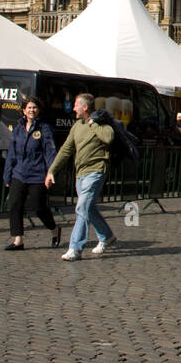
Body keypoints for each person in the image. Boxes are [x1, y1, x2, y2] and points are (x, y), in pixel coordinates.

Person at [45, 93, 117, 261]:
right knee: (89, 208)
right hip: (81, 173)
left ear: (85, 107)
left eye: (76, 104)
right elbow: (66, 150)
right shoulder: (77, 126)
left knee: (81, 208)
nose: (73, 107)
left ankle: (75, 248)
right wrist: (52, 171)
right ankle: (107, 236)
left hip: (96, 171)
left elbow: (109, 137)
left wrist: (93, 124)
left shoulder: (100, 122)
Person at [2, 96, 60, 251]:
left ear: (38, 110)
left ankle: (54, 230)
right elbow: (11, 153)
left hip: (37, 174)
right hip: (19, 173)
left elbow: (50, 152)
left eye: (34, 107)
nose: (31, 110)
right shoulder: (19, 128)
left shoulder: (44, 128)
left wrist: (51, 172)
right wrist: (7, 175)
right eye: (29, 108)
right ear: (23, 110)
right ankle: (18, 240)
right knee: (15, 204)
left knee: (38, 206)